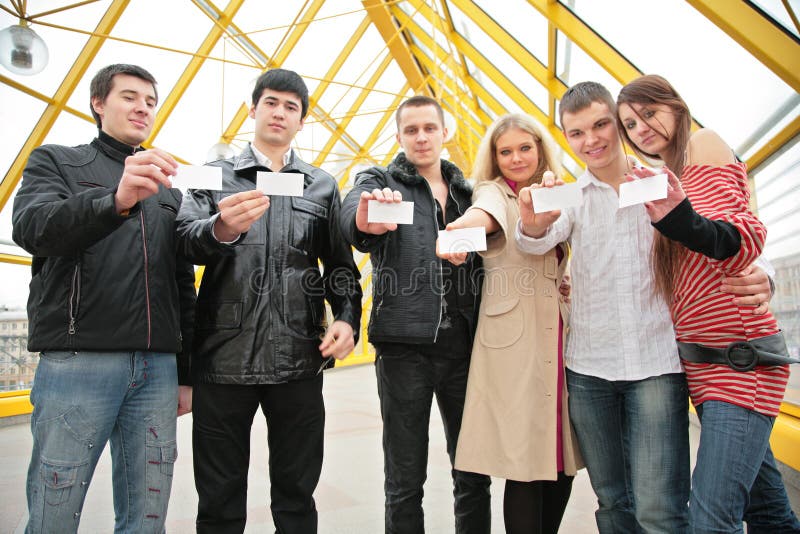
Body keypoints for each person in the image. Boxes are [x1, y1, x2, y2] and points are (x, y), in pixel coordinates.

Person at [514, 81, 774, 534]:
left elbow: (718, 225)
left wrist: (764, 271)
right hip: (590, 369)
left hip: (657, 366)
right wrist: (532, 228)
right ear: (565, 139)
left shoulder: (663, 183)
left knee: (659, 509)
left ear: (619, 126)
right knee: (613, 503)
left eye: (601, 125)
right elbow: (535, 240)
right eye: (576, 133)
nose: (591, 140)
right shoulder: (571, 197)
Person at [175, 68, 362, 534]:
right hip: (222, 358)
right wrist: (220, 228)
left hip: (299, 358)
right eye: (271, 102)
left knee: (297, 496)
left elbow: (340, 266)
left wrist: (346, 317)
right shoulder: (214, 176)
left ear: (302, 120)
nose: (280, 113)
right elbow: (182, 242)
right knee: (218, 499)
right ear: (252, 109)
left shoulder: (321, 185)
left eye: (291, 107)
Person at [12, 64, 196, 533]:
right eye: (129, 97)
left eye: (151, 101)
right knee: (56, 507)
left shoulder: (166, 189)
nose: (142, 108)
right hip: (80, 359)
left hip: (157, 367)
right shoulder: (56, 161)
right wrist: (113, 201)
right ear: (98, 103)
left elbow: (180, 282)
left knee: (147, 513)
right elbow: (33, 228)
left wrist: (186, 371)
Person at [617, 74, 800, 534]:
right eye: (630, 125)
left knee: (709, 520)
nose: (641, 130)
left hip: (741, 362)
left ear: (676, 107)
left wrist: (679, 219)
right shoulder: (664, 181)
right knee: (768, 514)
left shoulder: (703, 145)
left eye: (648, 113)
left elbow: (737, 235)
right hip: (702, 367)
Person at [339, 95, 491, 533]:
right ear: (399, 136)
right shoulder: (381, 179)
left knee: (473, 474)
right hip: (404, 347)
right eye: (411, 130)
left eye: (429, 128)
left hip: (464, 348)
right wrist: (364, 219)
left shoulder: (468, 192)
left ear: (447, 132)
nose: (421, 137)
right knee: (405, 479)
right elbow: (354, 213)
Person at [438, 113, 582, 534]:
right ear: (494, 158)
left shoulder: (560, 191)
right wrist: (461, 231)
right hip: (513, 339)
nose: (516, 158)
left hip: (560, 332)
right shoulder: (493, 191)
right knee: (525, 461)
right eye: (506, 151)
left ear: (540, 149)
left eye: (524, 148)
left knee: (561, 459)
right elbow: (486, 214)